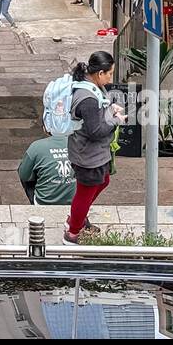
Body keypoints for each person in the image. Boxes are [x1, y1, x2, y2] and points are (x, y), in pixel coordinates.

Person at [63, 51, 124, 242]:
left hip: (93, 154)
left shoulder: (91, 86)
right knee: (85, 192)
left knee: (103, 181)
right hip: (88, 156)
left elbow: (96, 115)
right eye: (110, 73)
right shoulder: (87, 97)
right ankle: (72, 232)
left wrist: (109, 109)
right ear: (100, 74)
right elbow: (95, 131)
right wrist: (115, 120)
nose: (110, 78)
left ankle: (77, 218)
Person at [18, 75, 77, 206]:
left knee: (27, 175)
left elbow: (24, 174)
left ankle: (36, 204)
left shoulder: (37, 147)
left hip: (44, 202)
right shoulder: (82, 145)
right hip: (77, 203)